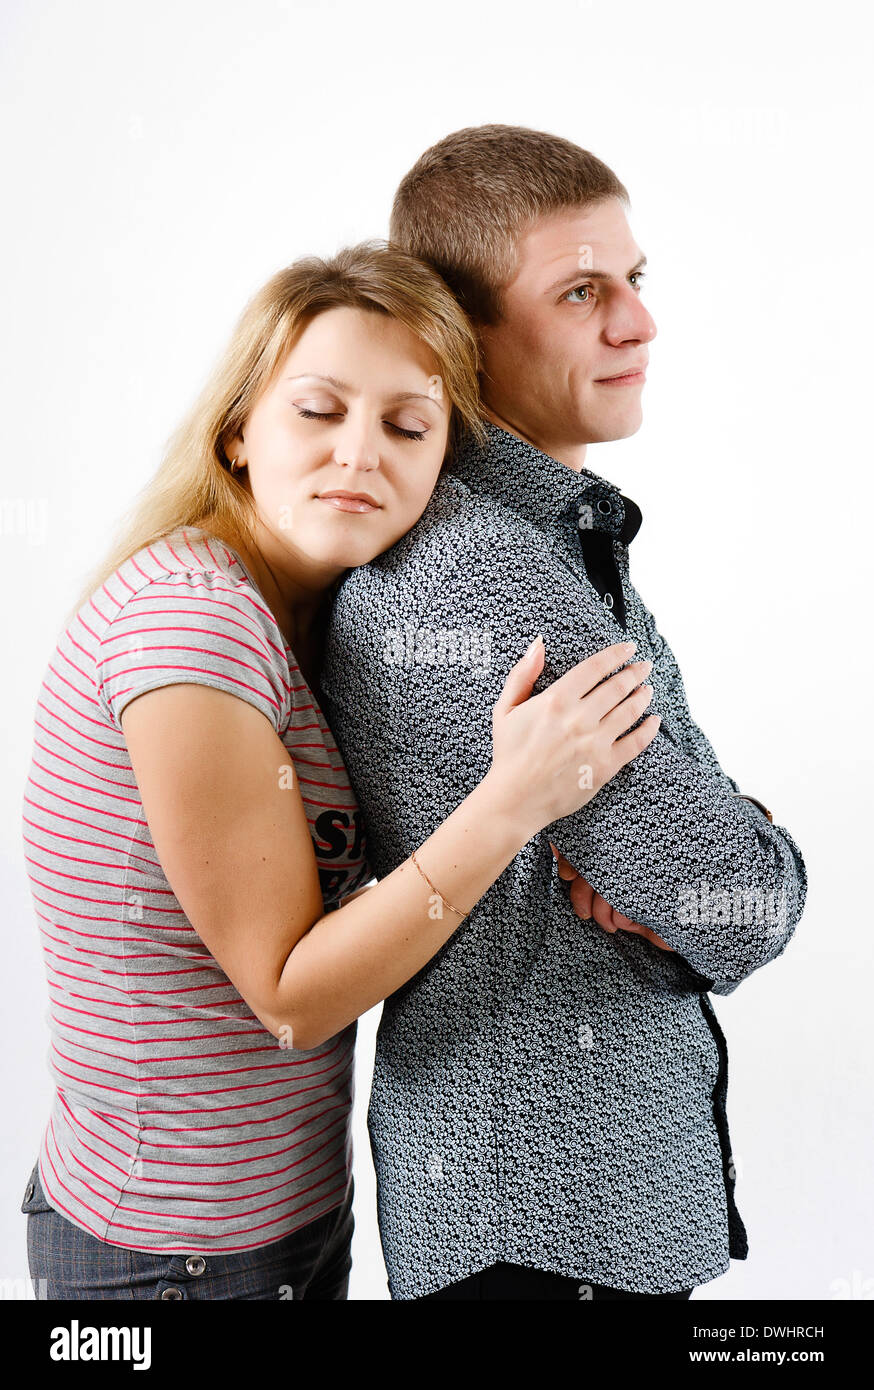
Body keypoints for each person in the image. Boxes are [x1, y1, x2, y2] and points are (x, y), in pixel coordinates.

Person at [19, 240, 657, 1300]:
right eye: (317, 411)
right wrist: (513, 804)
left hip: (292, 1218)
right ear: (236, 437)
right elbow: (289, 999)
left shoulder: (328, 616)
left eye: (407, 425)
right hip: (170, 1256)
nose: (360, 454)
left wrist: (601, 849)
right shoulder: (193, 627)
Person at [319, 125, 809, 1300]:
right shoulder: (487, 577)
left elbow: (694, 872)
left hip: (561, 1220)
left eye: (634, 282)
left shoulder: (531, 540)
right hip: (543, 1231)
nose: (636, 324)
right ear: (457, 334)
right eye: (582, 292)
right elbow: (733, 906)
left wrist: (718, 832)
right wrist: (762, 858)